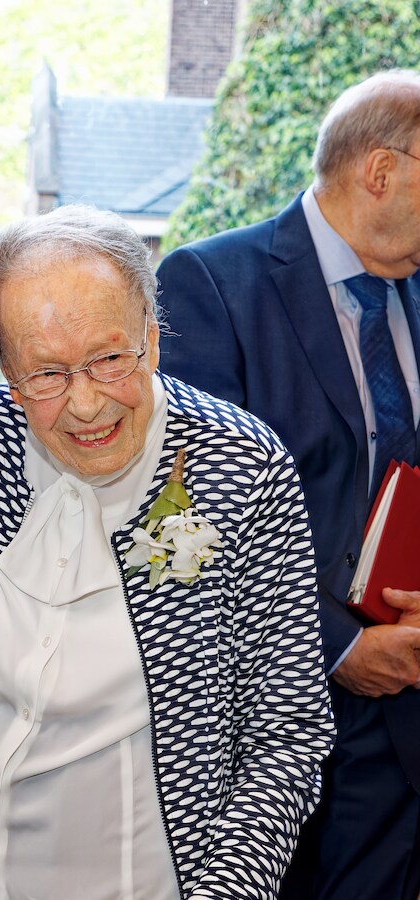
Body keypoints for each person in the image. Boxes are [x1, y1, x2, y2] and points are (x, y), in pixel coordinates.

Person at [0, 204, 333, 899]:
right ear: (6, 368)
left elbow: (288, 729)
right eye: (47, 375)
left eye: (111, 358)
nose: (86, 405)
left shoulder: (240, 466)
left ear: (150, 329)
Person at [155, 69, 420, 900]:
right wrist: (339, 647)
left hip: (404, 720)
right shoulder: (209, 283)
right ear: (380, 171)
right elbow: (186, 520)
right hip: (275, 717)